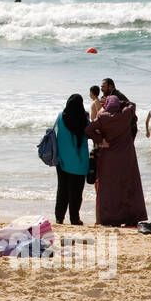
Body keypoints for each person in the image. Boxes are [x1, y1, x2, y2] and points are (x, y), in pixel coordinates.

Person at [82, 95, 147, 226]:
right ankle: (130, 218)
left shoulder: (103, 117)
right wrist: (121, 102)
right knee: (128, 185)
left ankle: (110, 219)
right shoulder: (125, 114)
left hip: (108, 157)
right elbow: (132, 104)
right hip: (127, 156)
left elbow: (88, 130)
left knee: (110, 188)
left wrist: (100, 140)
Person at [54, 94, 89, 225]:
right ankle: (74, 218)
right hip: (79, 163)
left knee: (62, 189)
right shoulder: (84, 120)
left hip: (62, 161)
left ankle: (59, 217)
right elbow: (91, 132)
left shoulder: (59, 116)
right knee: (76, 192)